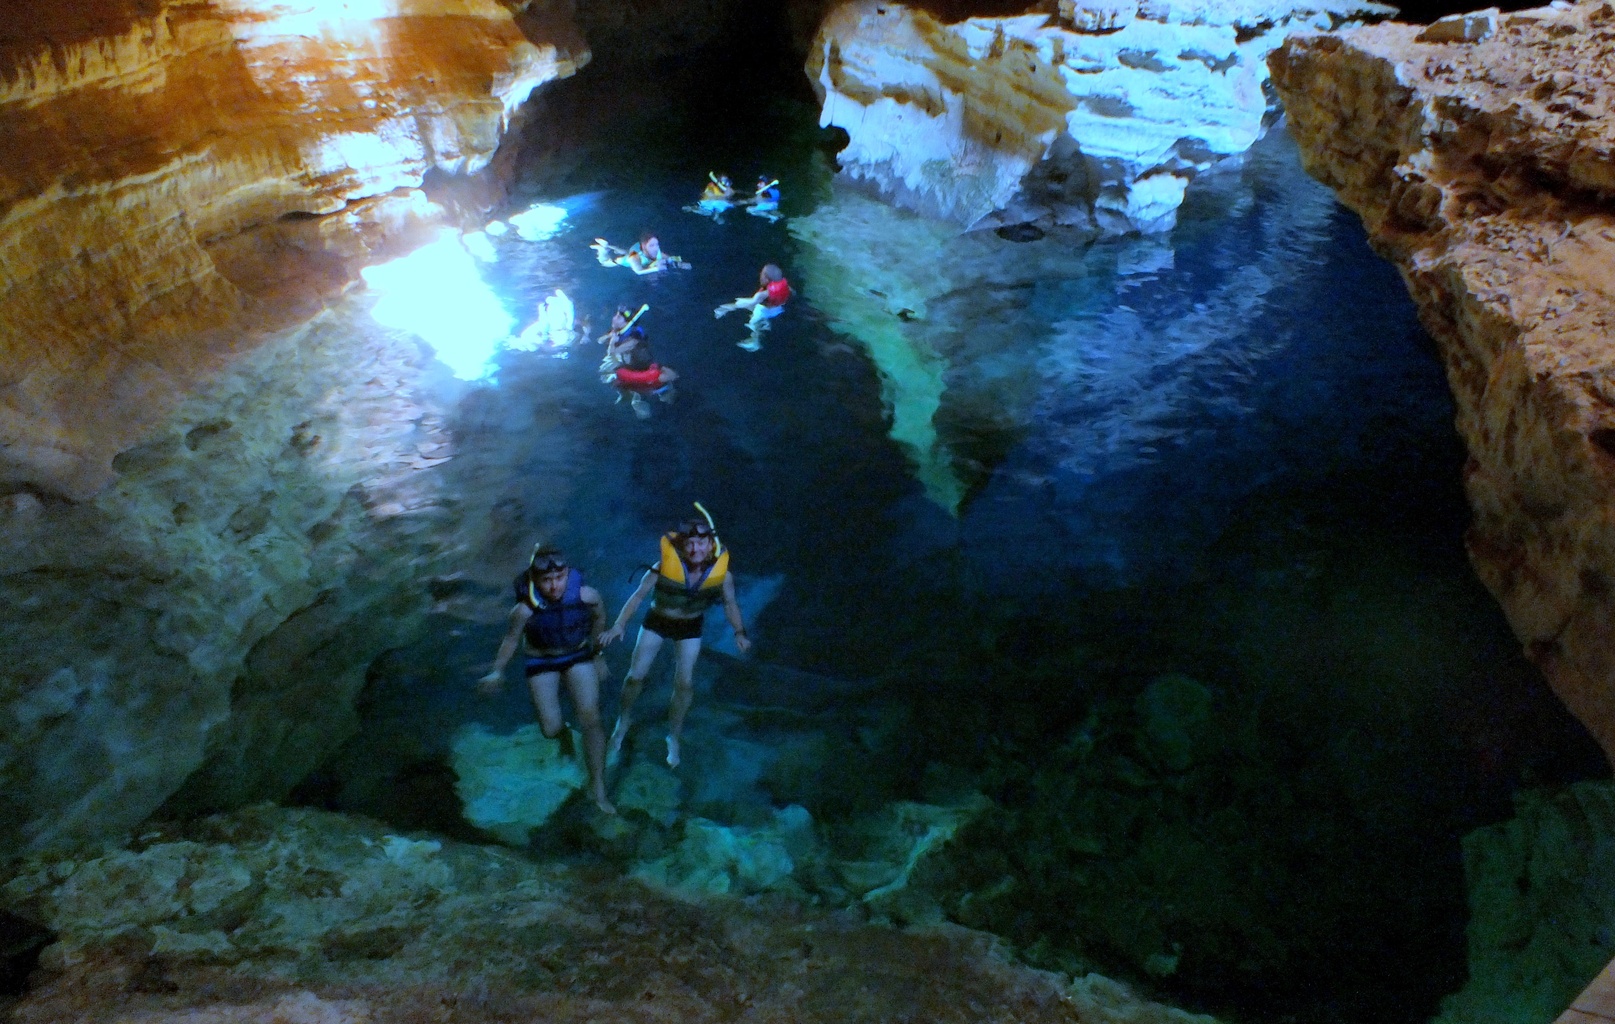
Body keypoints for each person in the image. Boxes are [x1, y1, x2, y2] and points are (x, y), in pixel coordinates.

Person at [602, 507, 750, 768]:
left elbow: (730, 604)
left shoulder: (722, 575)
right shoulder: (662, 568)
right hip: (657, 622)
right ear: (682, 545)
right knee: (635, 676)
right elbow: (638, 595)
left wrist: (739, 632)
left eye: (701, 543)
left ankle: (674, 736)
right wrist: (619, 625)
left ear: (710, 544)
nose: (695, 550)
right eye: (690, 544)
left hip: (690, 627)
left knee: (684, 684)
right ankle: (623, 721)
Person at [478, 546, 616, 814]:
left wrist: (597, 655)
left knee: (591, 719)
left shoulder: (587, 596)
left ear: (567, 574)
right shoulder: (524, 610)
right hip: (542, 660)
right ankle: (563, 736)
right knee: (549, 729)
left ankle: (597, 785)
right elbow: (510, 639)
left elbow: (600, 618)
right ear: (535, 580)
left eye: (559, 578)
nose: (554, 586)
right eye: (546, 580)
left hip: (577, 654)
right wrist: (497, 670)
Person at [714, 263, 792, 351]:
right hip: (778, 309)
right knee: (751, 308)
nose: (760, 275)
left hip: (763, 311)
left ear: (766, 279)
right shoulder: (785, 286)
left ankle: (755, 343)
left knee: (753, 323)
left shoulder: (762, 294)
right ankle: (765, 325)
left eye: (762, 274)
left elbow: (751, 302)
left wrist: (739, 301)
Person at [604, 328, 678, 418]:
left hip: (649, 379)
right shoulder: (624, 360)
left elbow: (671, 375)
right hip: (641, 379)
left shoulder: (642, 355)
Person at [592, 233, 686, 274]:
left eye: (657, 244)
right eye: (652, 246)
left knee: (625, 251)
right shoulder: (634, 256)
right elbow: (638, 272)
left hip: (634, 250)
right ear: (645, 246)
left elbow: (669, 258)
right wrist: (656, 268)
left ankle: (609, 246)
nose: (656, 248)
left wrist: (680, 263)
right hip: (624, 260)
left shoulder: (657, 251)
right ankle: (602, 249)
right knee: (605, 262)